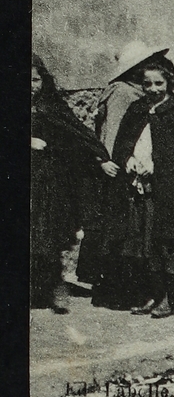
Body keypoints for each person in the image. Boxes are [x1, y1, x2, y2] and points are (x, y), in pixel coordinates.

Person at [107, 54, 174, 318]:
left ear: (168, 83)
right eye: (148, 84)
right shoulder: (137, 110)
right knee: (143, 245)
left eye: (159, 84)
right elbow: (122, 144)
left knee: (165, 245)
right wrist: (128, 159)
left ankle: (167, 298)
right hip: (138, 190)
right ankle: (151, 295)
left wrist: (156, 167)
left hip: (167, 193)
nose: (154, 90)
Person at [31, 55, 117, 314]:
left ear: (44, 81)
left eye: (35, 80)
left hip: (47, 180)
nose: (30, 86)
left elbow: (76, 135)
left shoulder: (52, 106)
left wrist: (98, 156)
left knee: (49, 234)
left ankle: (54, 288)